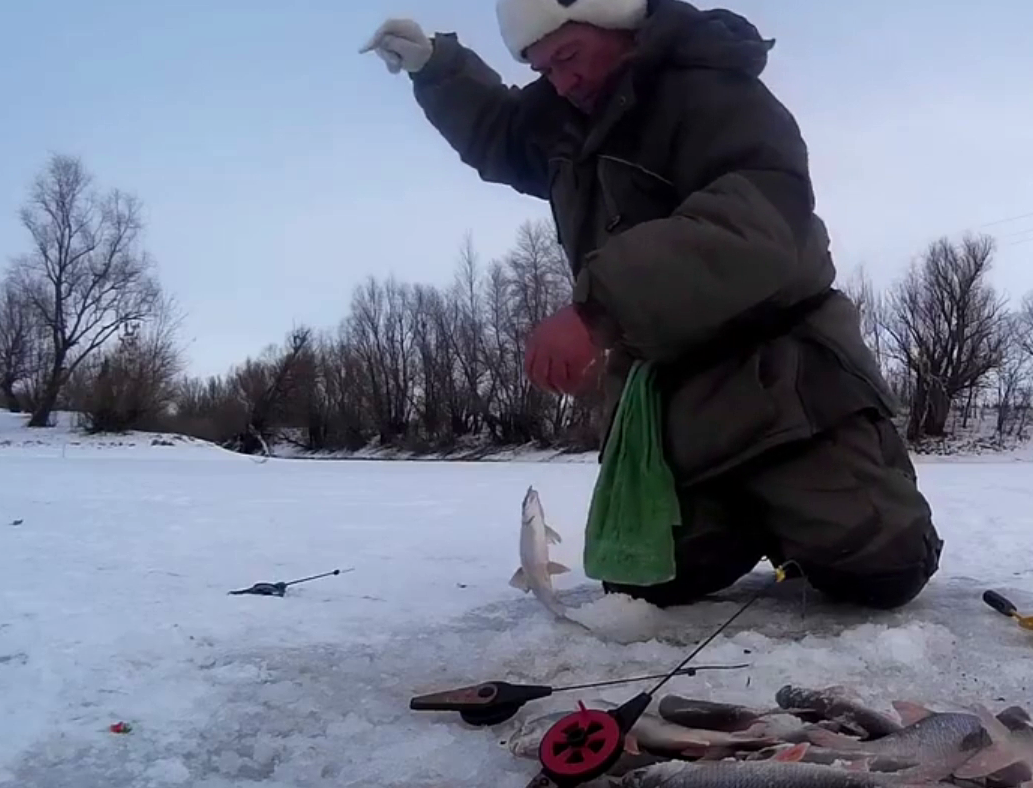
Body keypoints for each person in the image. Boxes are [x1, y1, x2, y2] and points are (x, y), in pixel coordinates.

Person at [362, 0, 943, 609]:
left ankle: (812, 497)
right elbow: (502, 134)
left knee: (883, 570)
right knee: (643, 583)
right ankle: (757, 517)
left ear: (619, 26)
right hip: (672, 404)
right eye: (542, 69)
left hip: (783, 387)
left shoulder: (715, 92)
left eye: (568, 56)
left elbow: (755, 226)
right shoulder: (567, 120)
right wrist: (436, 68)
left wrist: (597, 308)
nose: (562, 81)